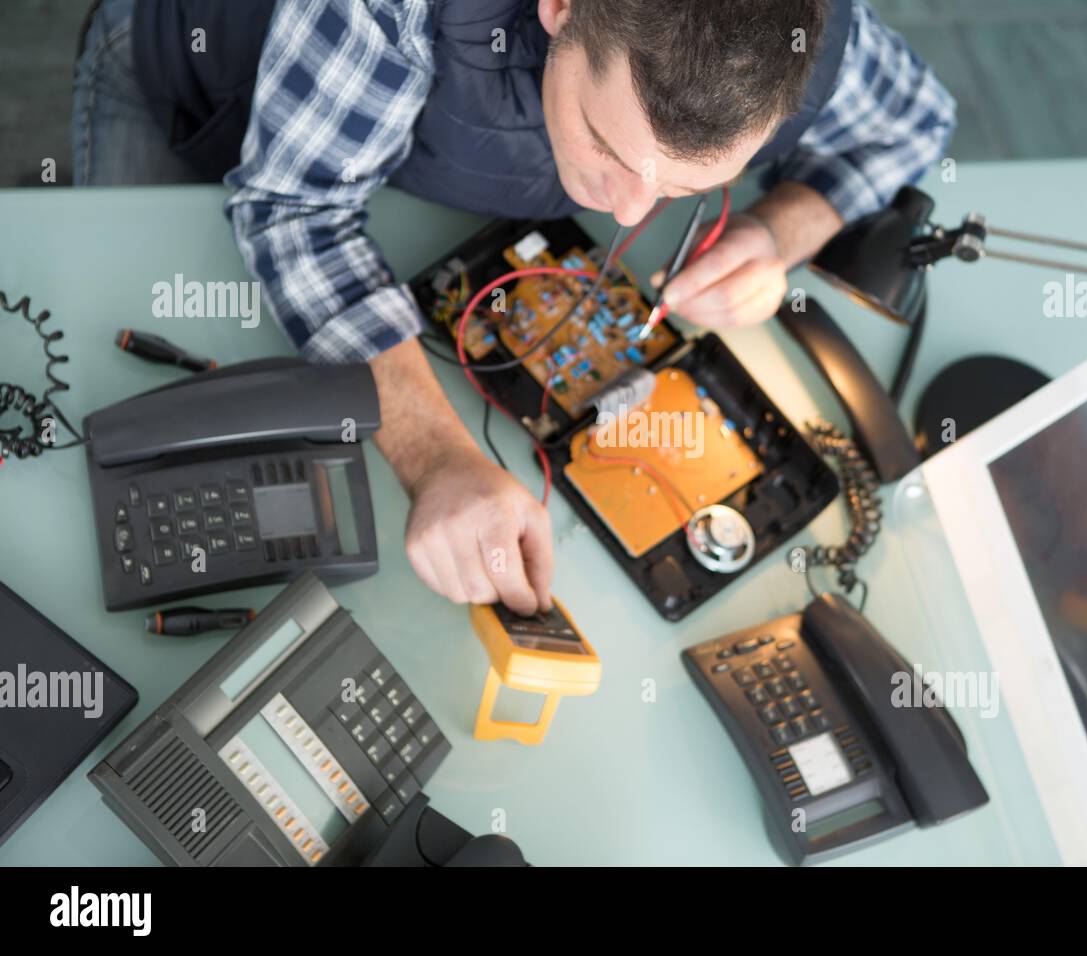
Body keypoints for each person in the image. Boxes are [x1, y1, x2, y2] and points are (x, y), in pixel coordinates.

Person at [73, 0, 954, 615]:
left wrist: (780, 229)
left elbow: (916, 119)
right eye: (608, 148)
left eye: (691, 186)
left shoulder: (807, 29)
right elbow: (293, 207)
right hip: (202, 73)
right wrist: (435, 457)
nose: (627, 214)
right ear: (559, 6)